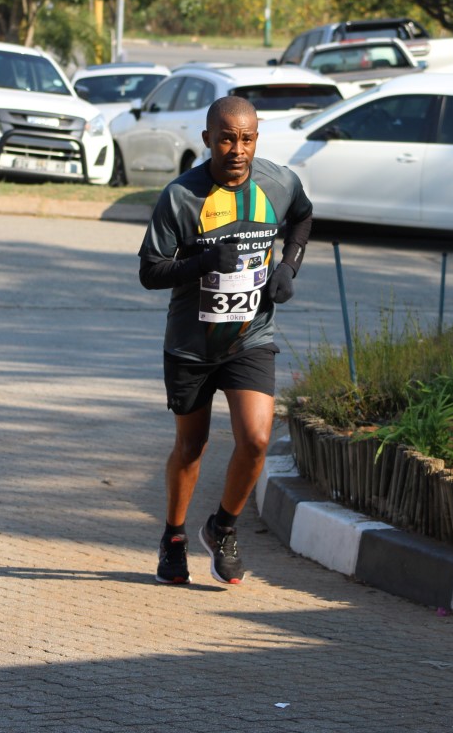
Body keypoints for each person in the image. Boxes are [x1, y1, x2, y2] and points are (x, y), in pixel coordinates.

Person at [138, 95, 314, 585]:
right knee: (191, 447)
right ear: (208, 140)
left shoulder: (277, 183)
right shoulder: (182, 196)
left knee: (256, 439)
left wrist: (287, 267)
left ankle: (223, 527)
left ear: (257, 138)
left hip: (250, 336)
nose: (238, 149)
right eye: (227, 139)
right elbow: (150, 271)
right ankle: (174, 536)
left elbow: (303, 215)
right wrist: (200, 264)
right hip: (191, 345)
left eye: (247, 138)